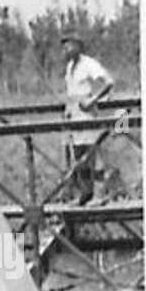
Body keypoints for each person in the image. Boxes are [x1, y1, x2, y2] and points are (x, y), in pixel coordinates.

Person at [60, 34, 115, 204]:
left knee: (92, 152)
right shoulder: (70, 67)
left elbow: (108, 82)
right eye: (64, 46)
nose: (66, 50)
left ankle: (100, 194)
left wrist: (94, 99)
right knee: (78, 154)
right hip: (74, 113)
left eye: (69, 45)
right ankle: (86, 193)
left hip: (87, 112)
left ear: (78, 46)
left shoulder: (89, 64)